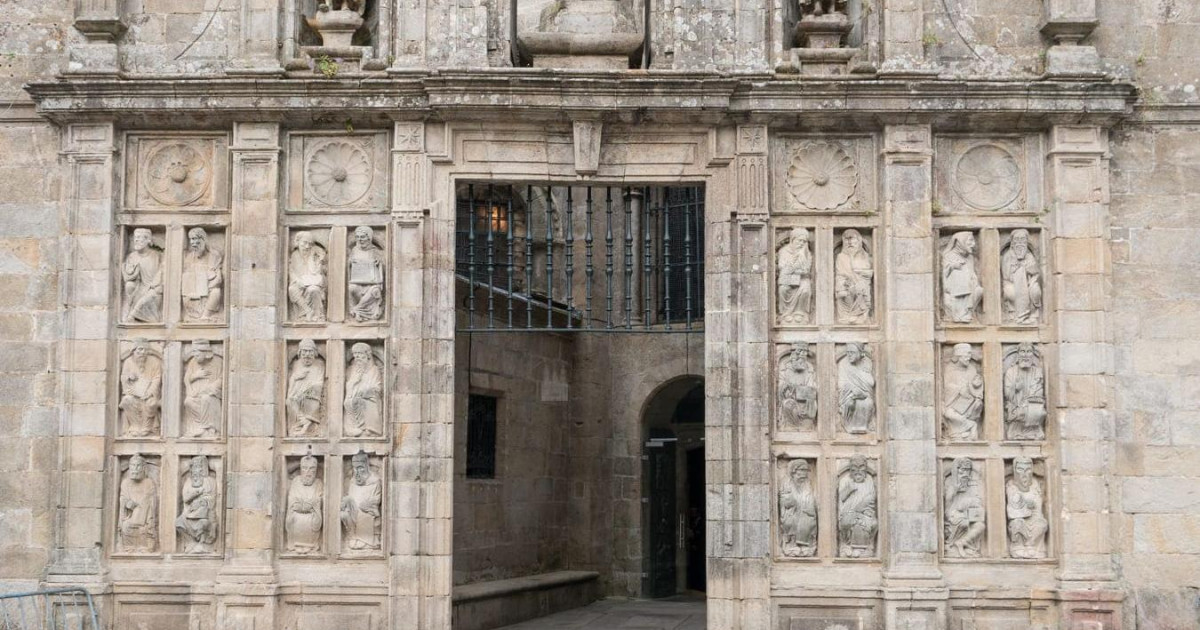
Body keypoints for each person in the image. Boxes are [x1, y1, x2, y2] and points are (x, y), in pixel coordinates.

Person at [119, 340, 162, 438]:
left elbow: (157, 378)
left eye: (145, 350)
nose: (142, 352)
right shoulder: (128, 362)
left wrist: (150, 392)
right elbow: (123, 377)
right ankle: (135, 426)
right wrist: (129, 377)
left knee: (151, 403)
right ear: (134, 350)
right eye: (140, 349)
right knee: (127, 400)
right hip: (133, 392)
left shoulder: (154, 361)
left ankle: (147, 427)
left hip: (149, 392)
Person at [1006, 457, 1048, 559]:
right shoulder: (1011, 486)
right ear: (1015, 471)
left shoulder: (1035, 485)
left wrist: (1026, 506)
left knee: (1042, 524)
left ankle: (1030, 545)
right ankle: (1018, 547)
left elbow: (1038, 508)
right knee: (1017, 523)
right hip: (1019, 520)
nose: (1024, 474)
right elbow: (1011, 510)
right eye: (1020, 469)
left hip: (1034, 520)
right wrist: (1025, 506)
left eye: (1028, 469)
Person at [175, 455, 218, 553]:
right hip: (189, 513)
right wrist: (195, 494)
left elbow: (212, 498)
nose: (196, 469)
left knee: (203, 524)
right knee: (179, 522)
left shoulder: (210, 481)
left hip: (204, 514)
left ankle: (202, 544)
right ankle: (191, 543)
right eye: (194, 466)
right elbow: (185, 498)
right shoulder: (188, 481)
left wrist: (202, 502)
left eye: (199, 466)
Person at [944, 457, 986, 558]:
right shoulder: (951, 483)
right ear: (956, 470)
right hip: (953, 514)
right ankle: (952, 544)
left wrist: (970, 503)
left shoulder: (972, 484)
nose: (965, 473)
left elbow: (977, 500)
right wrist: (955, 490)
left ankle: (962, 543)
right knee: (963, 522)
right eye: (962, 470)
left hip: (969, 514)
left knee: (980, 526)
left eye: (968, 470)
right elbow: (948, 504)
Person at [1004, 343, 1046, 440]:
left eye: (1029, 351)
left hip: (1032, 406)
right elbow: (1007, 394)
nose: (1026, 355)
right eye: (1023, 351)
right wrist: (1016, 388)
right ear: (1018, 354)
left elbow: (1039, 391)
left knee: (1038, 413)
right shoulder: (1011, 372)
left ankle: (1032, 429)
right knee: (1020, 414)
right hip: (1016, 406)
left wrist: (1030, 399)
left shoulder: (1037, 372)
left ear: (1032, 354)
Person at [117, 454, 159, 553]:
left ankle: (145, 546)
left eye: (138, 466)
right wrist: (127, 503)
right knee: (126, 526)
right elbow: (123, 498)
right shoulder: (125, 483)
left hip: (143, 517)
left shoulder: (148, 483)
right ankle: (128, 547)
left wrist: (139, 511)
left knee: (143, 528)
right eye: (132, 466)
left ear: (144, 468)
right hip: (130, 516)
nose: (135, 469)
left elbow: (150, 501)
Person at [340, 452, 382, 551]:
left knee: (364, 515)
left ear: (366, 466)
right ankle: (353, 537)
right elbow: (351, 496)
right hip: (354, 510)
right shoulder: (353, 481)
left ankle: (365, 541)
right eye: (355, 468)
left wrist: (369, 504)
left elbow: (377, 498)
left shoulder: (375, 481)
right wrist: (346, 502)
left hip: (368, 509)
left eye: (360, 467)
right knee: (343, 514)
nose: (357, 472)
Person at [181, 227, 224, 322]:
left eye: (195, 238)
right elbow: (186, 278)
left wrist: (208, 286)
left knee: (216, 292)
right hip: (192, 289)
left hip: (209, 287)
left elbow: (218, 278)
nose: (193, 242)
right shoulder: (189, 257)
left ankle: (206, 315)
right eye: (191, 239)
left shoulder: (214, 255)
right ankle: (192, 316)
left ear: (203, 239)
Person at [837, 455, 877, 558]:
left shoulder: (869, 481)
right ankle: (847, 546)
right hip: (848, 512)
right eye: (854, 469)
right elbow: (841, 497)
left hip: (864, 512)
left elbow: (871, 497)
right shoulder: (846, 480)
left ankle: (863, 549)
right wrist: (849, 489)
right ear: (850, 470)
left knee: (867, 523)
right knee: (847, 522)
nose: (858, 472)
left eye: (861, 468)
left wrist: (862, 508)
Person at [942, 343, 984, 440]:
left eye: (970, 355)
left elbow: (976, 387)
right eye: (966, 355)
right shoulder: (950, 369)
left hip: (969, 403)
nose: (969, 358)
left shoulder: (972, 369)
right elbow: (947, 386)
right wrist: (959, 389)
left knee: (978, 404)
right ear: (959, 356)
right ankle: (970, 427)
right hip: (953, 403)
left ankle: (965, 431)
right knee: (948, 413)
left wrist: (977, 386)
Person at [121, 228, 163, 323]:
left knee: (152, 295)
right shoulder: (132, 256)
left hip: (153, 287)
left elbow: (161, 273)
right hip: (138, 288)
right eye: (136, 237)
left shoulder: (157, 255)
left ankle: (133, 315)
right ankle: (129, 312)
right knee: (129, 285)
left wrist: (155, 284)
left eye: (140, 237)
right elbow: (128, 275)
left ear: (148, 240)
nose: (136, 240)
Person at [182, 340, 222, 438]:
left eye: (197, 353)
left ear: (205, 352)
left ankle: (207, 428)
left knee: (205, 399)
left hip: (211, 393)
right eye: (194, 353)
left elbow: (222, 378)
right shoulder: (193, 362)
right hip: (196, 393)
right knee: (188, 401)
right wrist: (195, 376)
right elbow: (187, 378)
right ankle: (196, 427)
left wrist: (210, 388)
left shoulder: (218, 361)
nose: (195, 356)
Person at [1001, 229, 1042, 325]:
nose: (1020, 243)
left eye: (1022, 240)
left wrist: (1028, 270)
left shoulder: (1029, 256)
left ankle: (1032, 315)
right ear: (1013, 242)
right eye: (1017, 240)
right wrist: (1016, 268)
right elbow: (1006, 275)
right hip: (1012, 283)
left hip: (1028, 283)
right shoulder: (1008, 256)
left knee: (1035, 290)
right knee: (1010, 291)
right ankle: (1014, 316)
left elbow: (1035, 272)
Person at [286, 339, 326, 436]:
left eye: (310, 351)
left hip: (312, 394)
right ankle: (300, 424)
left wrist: (309, 389)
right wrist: (296, 377)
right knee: (290, 400)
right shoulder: (296, 364)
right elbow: (292, 382)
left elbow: (319, 382)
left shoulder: (319, 364)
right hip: (296, 391)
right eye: (304, 351)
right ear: (300, 352)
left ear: (314, 353)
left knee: (303, 399)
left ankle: (307, 424)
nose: (307, 354)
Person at [941, 231, 983, 323]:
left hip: (970, 287)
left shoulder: (970, 257)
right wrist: (953, 266)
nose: (973, 244)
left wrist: (974, 281)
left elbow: (972, 273)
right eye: (970, 241)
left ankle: (968, 312)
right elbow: (944, 275)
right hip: (955, 290)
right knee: (959, 277)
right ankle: (959, 315)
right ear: (961, 242)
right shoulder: (949, 256)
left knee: (979, 290)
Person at [286, 453, 324, 554]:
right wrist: (301, 505)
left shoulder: (318, 483)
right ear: (301, 469)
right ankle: (296, 543)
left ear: (315, 470)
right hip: (297, 514)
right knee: (294, 518)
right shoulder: (296, 481)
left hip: (311, 516)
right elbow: (292, 498)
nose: (308, 472)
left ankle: (310, 544)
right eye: (305, 468)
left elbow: (318, 499)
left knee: (312, 519)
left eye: (312, 469)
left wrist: (311, 504)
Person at [779, 459, 818, 557]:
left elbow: (809, 499)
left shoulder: (807, 483)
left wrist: (806, 507)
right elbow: (785, 500)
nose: (804, 473)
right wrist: (794, 502)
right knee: (792, 521)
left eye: (805, 470)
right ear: (794, 471)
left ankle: (805, 544)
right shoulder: (786, 482)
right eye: (801, 470)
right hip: (791, 511)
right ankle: (792, 543)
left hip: (805, 511)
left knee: (808, 521)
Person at [344, 343, 384, 437]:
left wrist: (366, 391)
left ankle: (370, 429)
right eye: (355, 354)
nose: (357, 356)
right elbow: (348, 385)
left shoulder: (374, 370)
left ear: (367, 355)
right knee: (348, 402)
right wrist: (355, 381)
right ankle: (352, 428)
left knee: (363, 402)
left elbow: (377, 387)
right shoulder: (351, 370)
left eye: (360, 353)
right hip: (352, 396)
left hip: (368, 398)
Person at [834, 229, 873, 324]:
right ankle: (846, 316)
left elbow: (868, 272)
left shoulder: (865, 256)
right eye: (847, 239)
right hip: (846, 284)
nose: (850, 242)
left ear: (859, 240)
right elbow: (840, 274)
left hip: (862, 283)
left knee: (860, 289)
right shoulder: (841, 257)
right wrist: (844, 283)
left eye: (852, 239)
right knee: (845, 293)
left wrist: (862, 274)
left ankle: (859, 315)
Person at [288, 231, 328, 322]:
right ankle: (307, 310)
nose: (307, 246)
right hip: (299, 283)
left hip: (312, 282)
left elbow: (317, 271)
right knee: (292, 289)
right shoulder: (294, 255)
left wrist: (319, 260)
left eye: (310, 244)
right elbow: (291, 271)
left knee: (313, 289)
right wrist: (297, 280)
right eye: (304, 243)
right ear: (297, 242)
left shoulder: (313, 254)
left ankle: (317, 315)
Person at [348, 226, 385, 322]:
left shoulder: (375, 251)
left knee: (375, 291)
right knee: (351, 288)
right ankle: (356, 309)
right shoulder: (354, 250)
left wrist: (379, 263)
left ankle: (357, 309)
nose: (360, 240)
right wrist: (351, 263)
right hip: (358, 282)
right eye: (358, 237)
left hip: (371, 284)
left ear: (369, 237)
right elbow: (348, 266)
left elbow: (382, 264)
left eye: (363, 237)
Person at [777, 228, 813, 324]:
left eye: (804, 241)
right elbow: (782, 267)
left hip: (802, 278)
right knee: (783, 289)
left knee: (805, 289)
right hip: (787, 279)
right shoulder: (784, 251)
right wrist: (795, 265)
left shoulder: (807, 254)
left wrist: (795, 269)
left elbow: (806, 270)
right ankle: (786, 313)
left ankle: (799, 312)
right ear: (792, 239)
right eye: (799, 240)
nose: (801, 243)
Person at [779, 343, 818, 431]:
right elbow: (781, 386)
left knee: (812, 404)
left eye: (805, 353)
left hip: (806, 400)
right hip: (791, 399)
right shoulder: (785, 368)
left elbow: (812, 386)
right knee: (787, 404)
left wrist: (805, 390)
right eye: (799, 352)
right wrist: (786, 389)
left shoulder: (809, 368)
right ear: (793, 355)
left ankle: (807, 425)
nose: (802, 355)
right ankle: (792, 426)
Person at [837, 343, 875, 434]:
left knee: (868, 403)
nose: (849, 355)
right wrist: (852, 389)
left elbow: (870, 383)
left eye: (852, 352)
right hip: (849, 395)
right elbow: (841, 384)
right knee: (851, 404)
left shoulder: (867, 363)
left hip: (865, 395)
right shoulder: (843, 364)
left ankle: (863, 426)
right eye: (848, 352)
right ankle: (849, 425)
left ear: (860, 353)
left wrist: (862, 392)